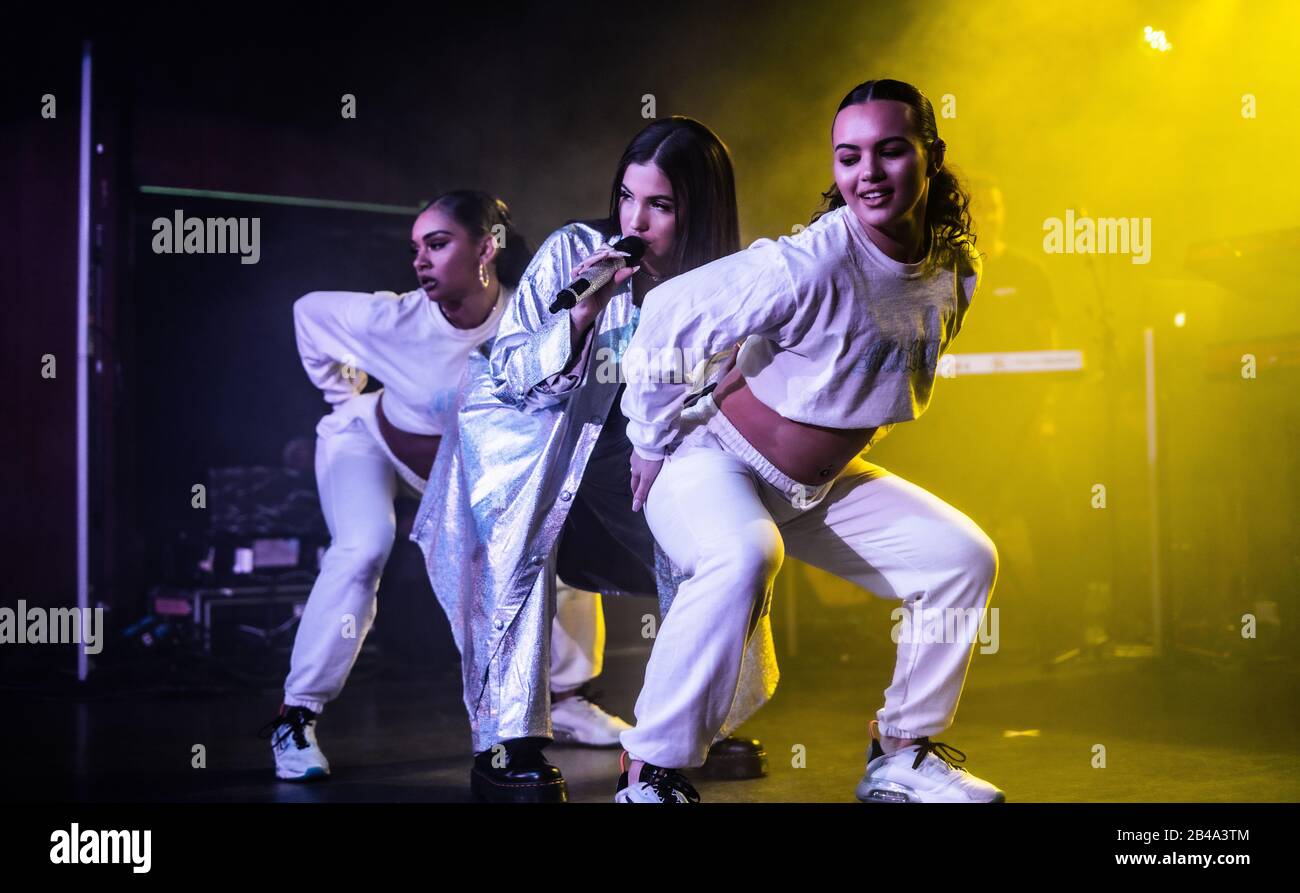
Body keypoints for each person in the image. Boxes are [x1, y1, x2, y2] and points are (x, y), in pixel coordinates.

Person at [615, 79, 1005, 803]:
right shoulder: (813, 260)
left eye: (891, 151)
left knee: (961, 558)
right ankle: (649, 771)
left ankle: (900, 751)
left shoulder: (955, 269)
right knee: (745, 552)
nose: (868, 173)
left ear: (931, 155)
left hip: (813, 489)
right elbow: (668, 311)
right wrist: (648, 437)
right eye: (849, 157)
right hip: (712, 463)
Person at [412, 117, 776, 802]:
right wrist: (583, 315)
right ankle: (507, 745)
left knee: (714, 543)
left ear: (701, 209)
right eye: (627, 197)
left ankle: (697, 722)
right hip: (528, 432)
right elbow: (513, 369)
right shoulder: (576, 249)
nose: (635, 220)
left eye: (660, 204)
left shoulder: (725, 280)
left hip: (636, 443)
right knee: (515, 546)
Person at [261, 190, 608, 781]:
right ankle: (296, 715)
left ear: (487, 247)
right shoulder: (394, 318)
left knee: (553, 537)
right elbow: (308, 312)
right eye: (416, 248)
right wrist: (342, 393)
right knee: (363, 547)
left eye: (438, 244)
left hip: (461, 473)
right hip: (373, 444)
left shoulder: (526, 319)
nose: (420, 260)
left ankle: (567, 701)